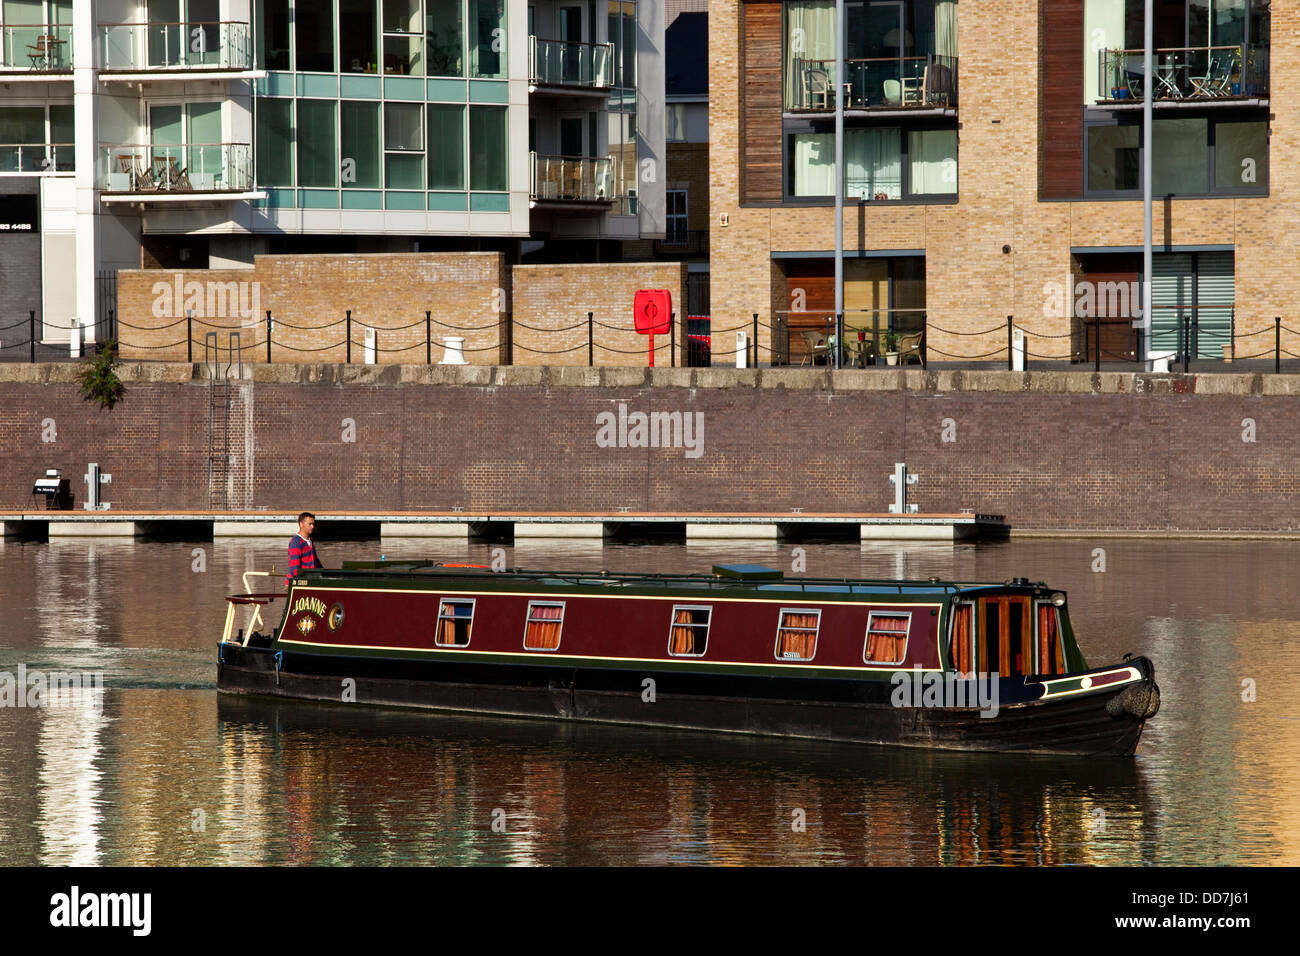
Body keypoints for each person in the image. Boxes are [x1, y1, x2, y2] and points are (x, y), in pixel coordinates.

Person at [285, 512, 323, 587]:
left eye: (313, 524)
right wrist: (292, 584)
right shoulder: (296, 542)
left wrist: (324, 573)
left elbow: (315, 561)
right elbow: (294, 566)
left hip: (311, 579)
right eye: (309, 524)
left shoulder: (310, 540)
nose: (312, 526)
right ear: (301, 524)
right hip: (301, 581)